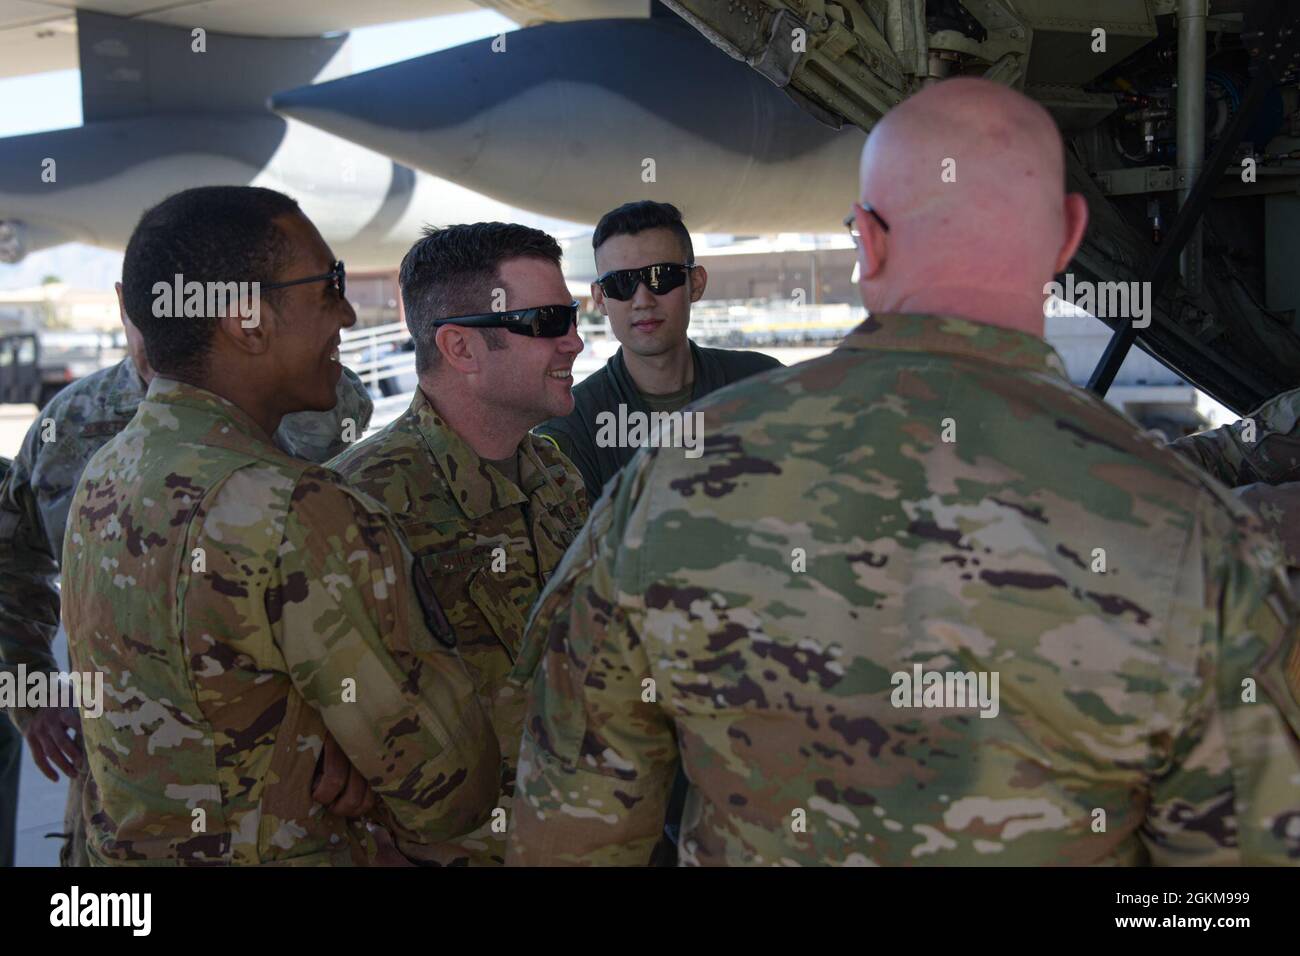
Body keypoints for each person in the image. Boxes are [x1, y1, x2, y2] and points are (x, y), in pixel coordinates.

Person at [506, 77, 1300, 866]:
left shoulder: (664, 483)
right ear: (1065, 239)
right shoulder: (1192, 533)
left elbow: (571, 833)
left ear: (867, 242)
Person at [60, 186, 497, 865]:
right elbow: (444, 786)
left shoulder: (108, 472)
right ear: (248, 321)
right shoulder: (297, 511)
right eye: (329, 288)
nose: (349, 314)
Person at [0, 282, 372, 867]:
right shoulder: (70, 425)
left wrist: (360, 731)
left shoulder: (314, 404)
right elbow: (12, 562)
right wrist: (30, 688)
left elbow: (361, 580)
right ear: (124, 302)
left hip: (286, 789)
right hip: (124, 795)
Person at [330, 223, 588, 865]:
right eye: (549, 320)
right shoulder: (353, 504)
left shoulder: (555, 475)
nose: (575, 341)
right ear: (461, 348)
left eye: (573, 316)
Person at [535, 201, 780, 501]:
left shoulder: (765, 385)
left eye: (660, 277)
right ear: (600, 298)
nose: (643, 300)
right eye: (621, 283)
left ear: (696, 283)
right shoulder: (574, 425)